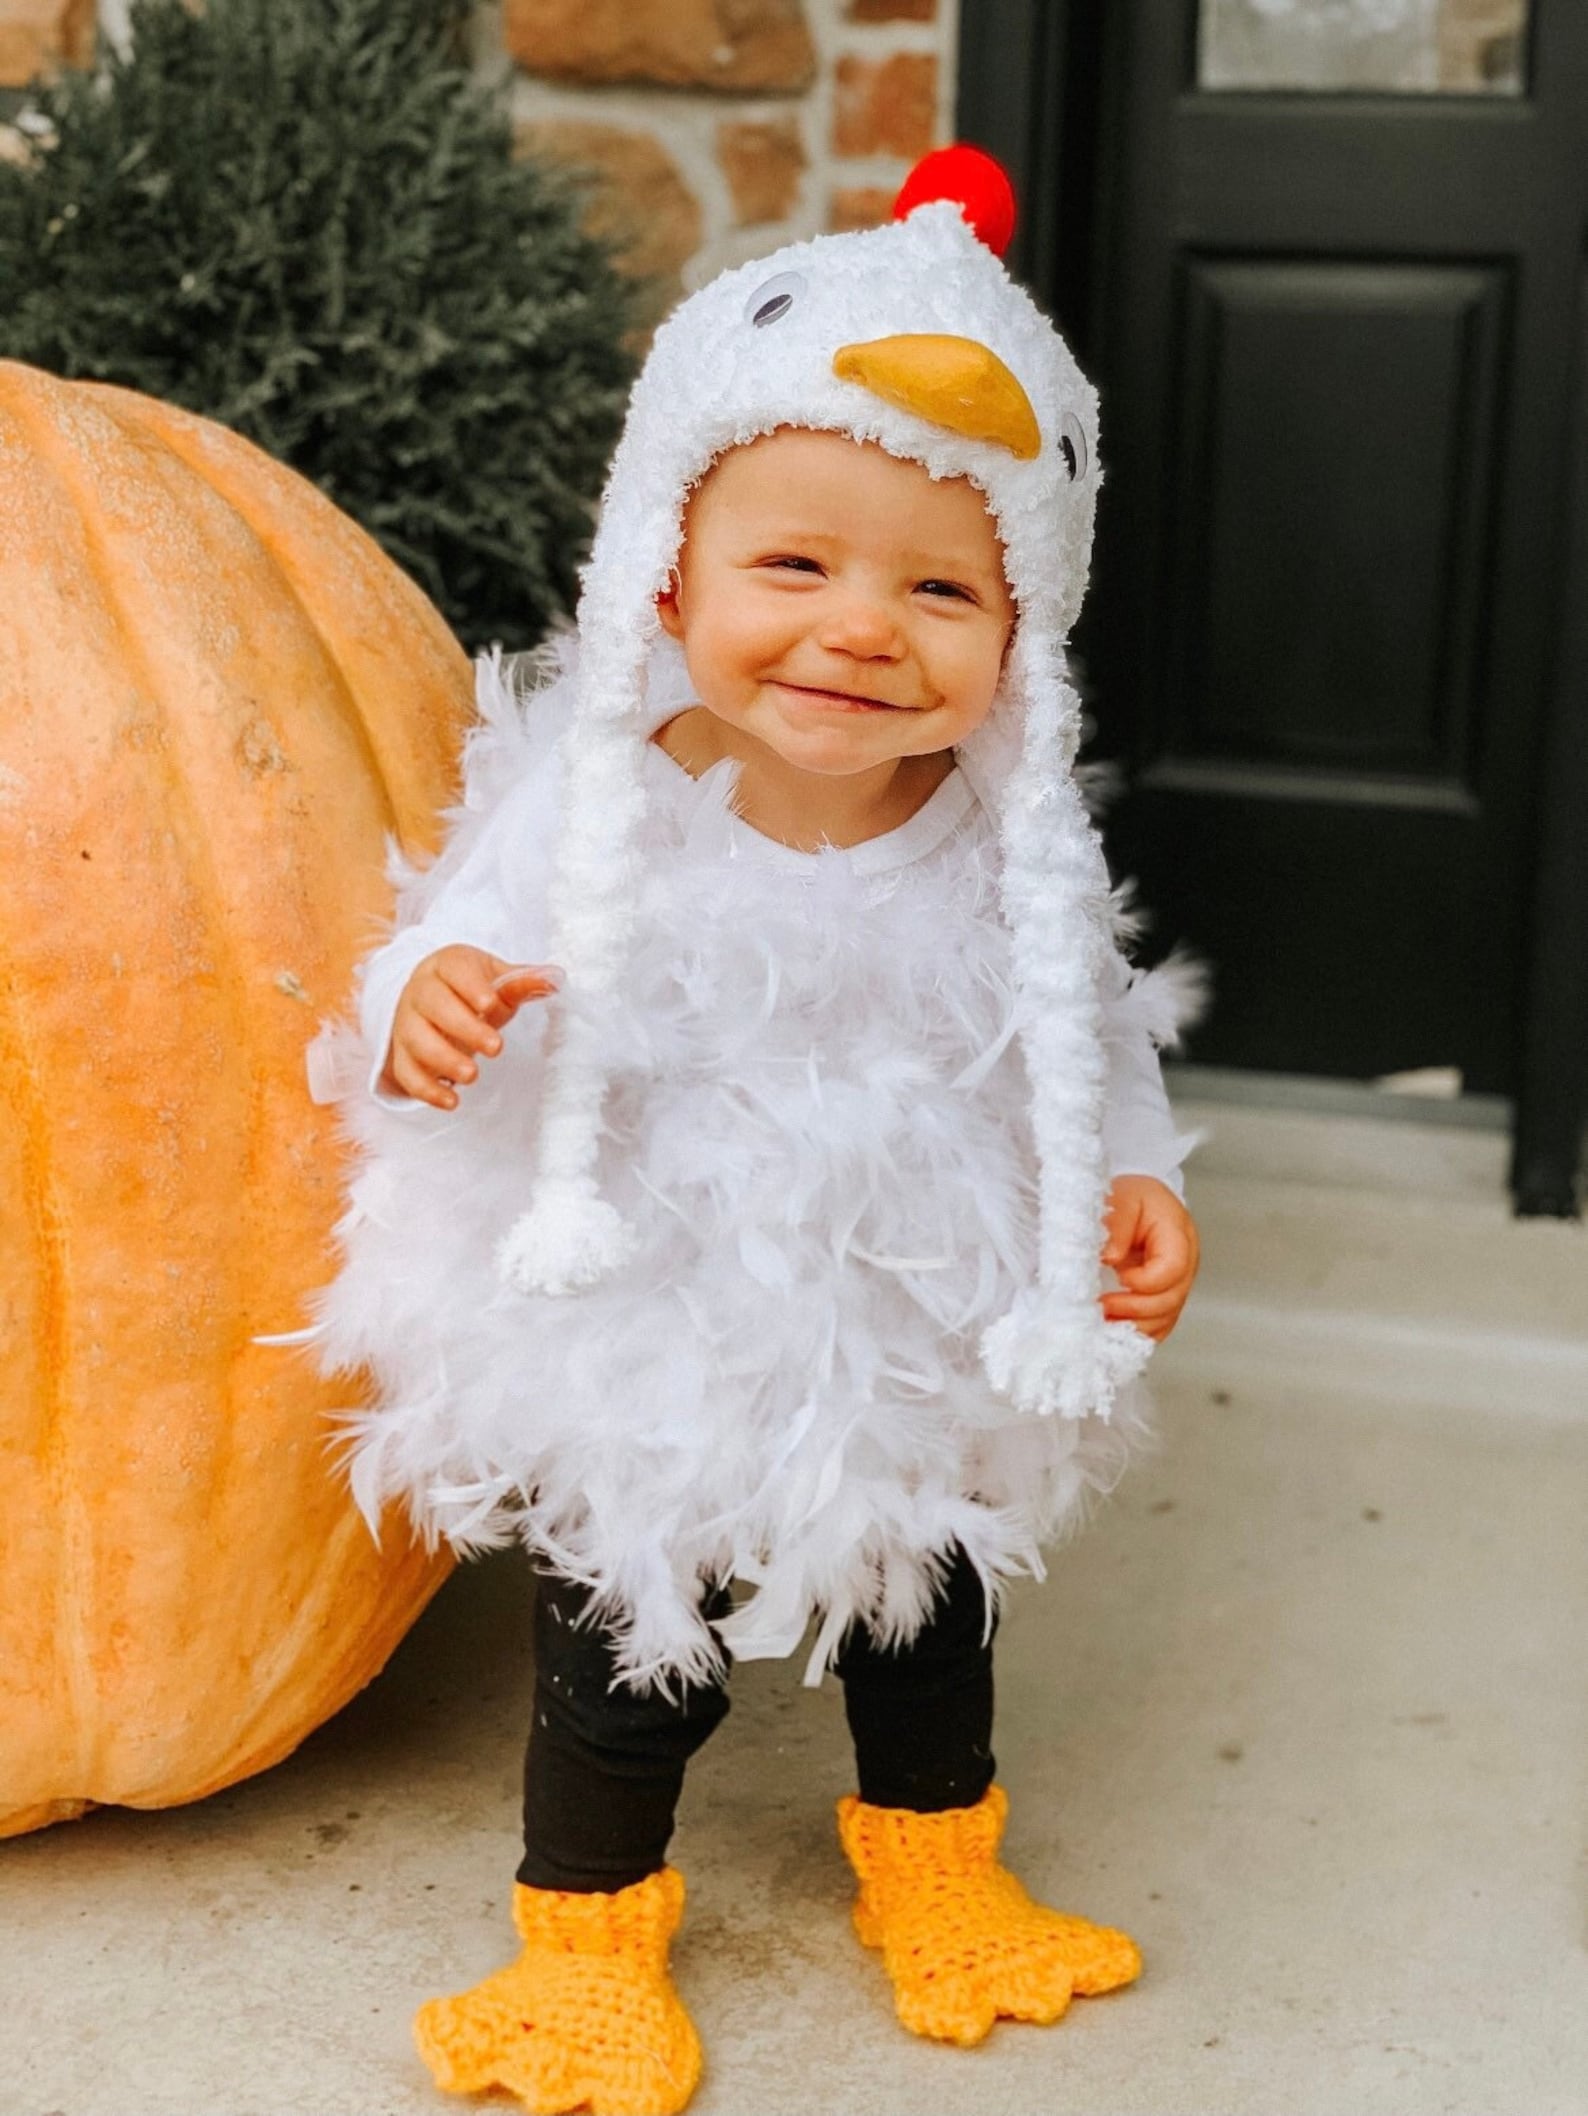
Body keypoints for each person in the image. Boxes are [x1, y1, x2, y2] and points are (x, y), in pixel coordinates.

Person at [301, 146, 1202, 2116]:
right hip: (655, 1302)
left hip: (913, 1308)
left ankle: (935, 1868)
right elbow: (433, 940)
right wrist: (423, 1006)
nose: (859, 629)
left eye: (940, 586)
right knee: (630, 1647)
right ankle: (586, 1937)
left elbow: (1088, 1014)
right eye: (793, 566)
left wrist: (1127, 1169)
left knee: (931, 1606)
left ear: (1016, 634)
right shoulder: (603, 799)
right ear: (668, 571)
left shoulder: (1002, 844)